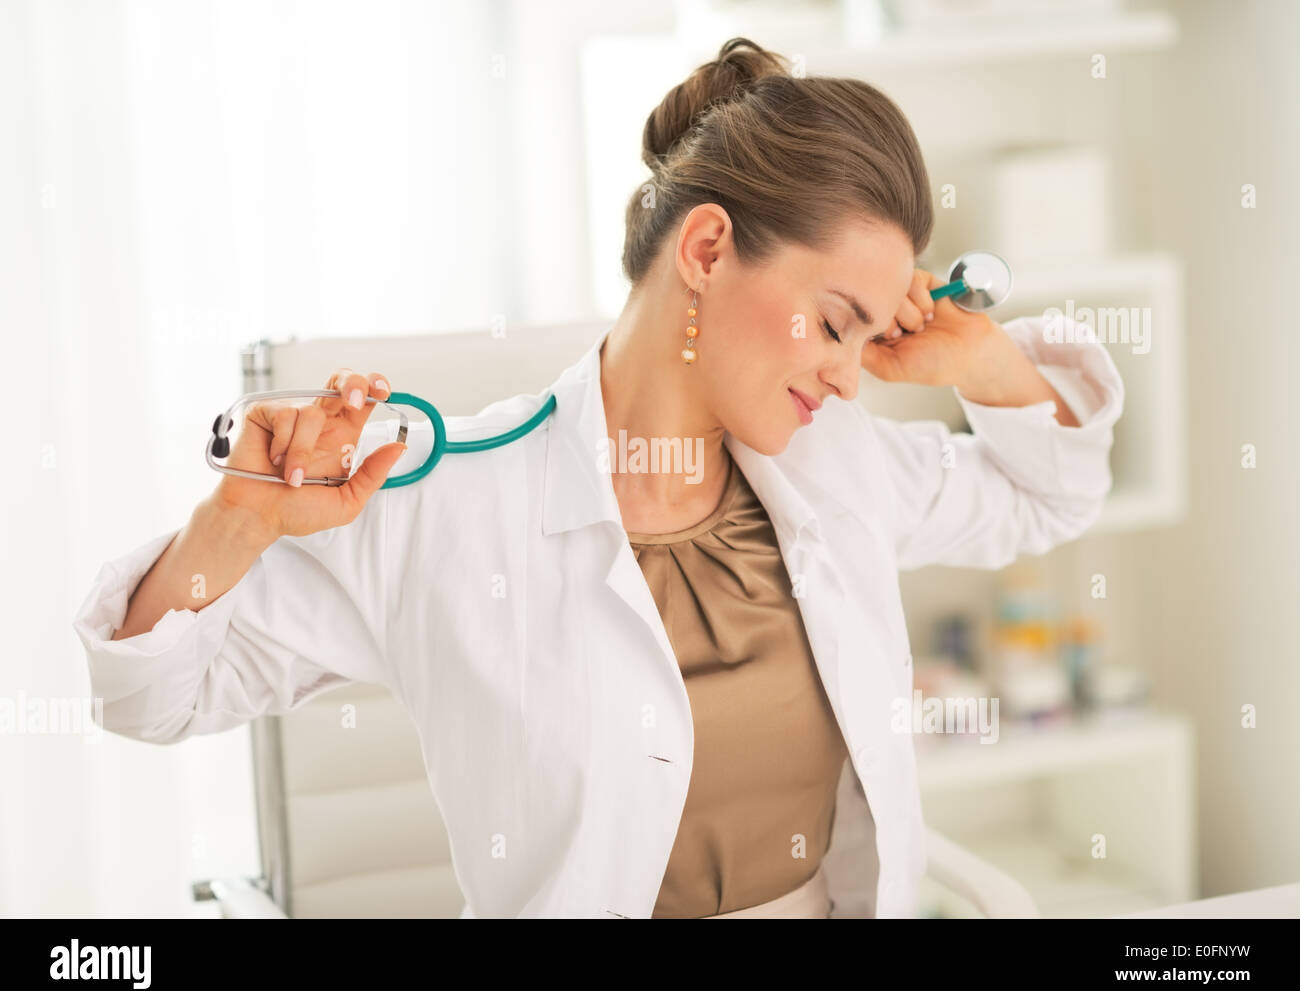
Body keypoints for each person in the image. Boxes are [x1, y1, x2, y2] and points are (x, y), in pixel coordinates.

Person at [74, 37, 1123, 919]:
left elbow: (1048, 493)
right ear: (707, 249)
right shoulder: (445, 506)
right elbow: (154, 695)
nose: (852, 378)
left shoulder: (831, 467)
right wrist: (238, 521)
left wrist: (975, 360)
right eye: (836, 324)